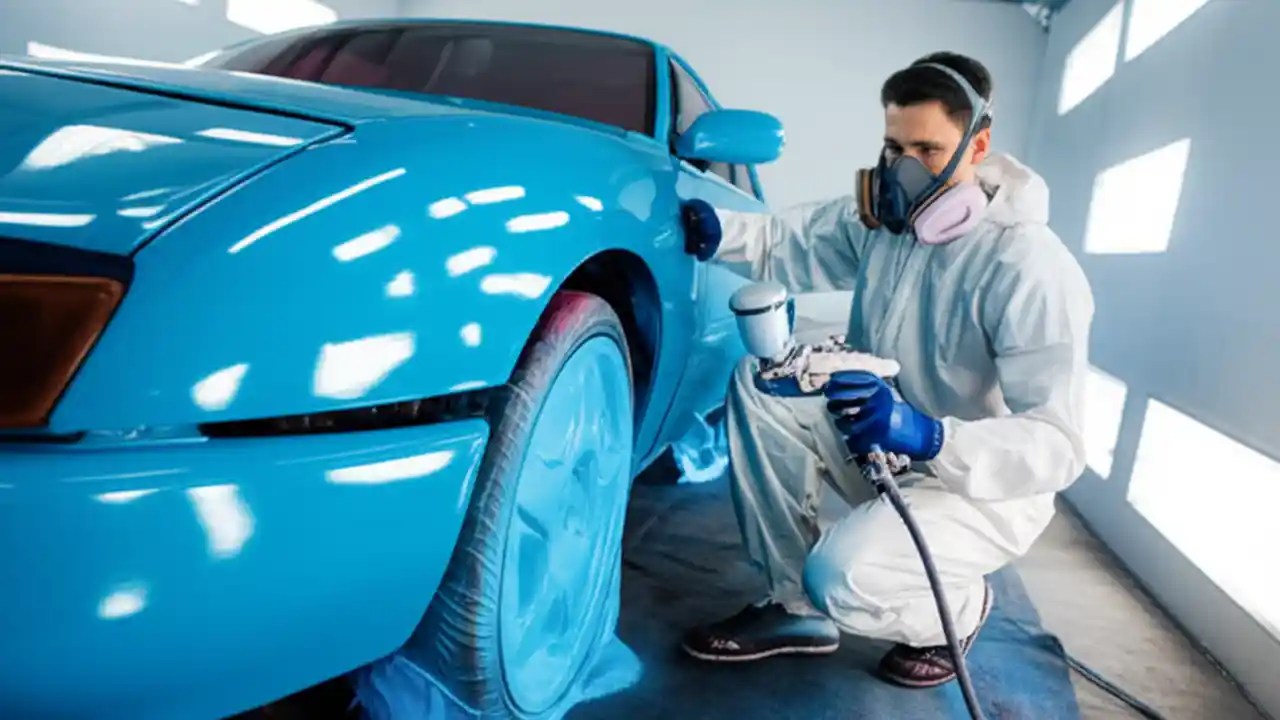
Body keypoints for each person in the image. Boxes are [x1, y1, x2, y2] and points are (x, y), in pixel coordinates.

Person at [678, 52, 1094, 689]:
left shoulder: (1028, 265)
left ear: (977, 145)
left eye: (928, 149)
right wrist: (707, 227)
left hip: (977, 486)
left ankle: (954, 612)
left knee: (843, 576)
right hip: (883, 443)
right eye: (894, 145)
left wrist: (931, 435)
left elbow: (1059, 445)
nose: (903, 169)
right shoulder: (888, 227)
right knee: (759, 388)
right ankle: (794, 609)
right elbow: (786, 241)